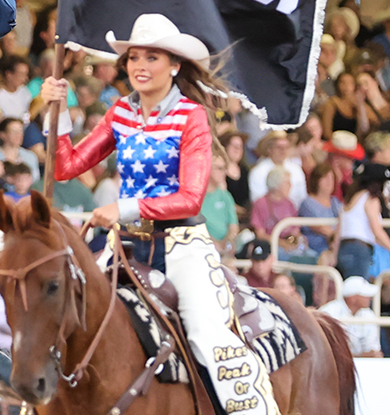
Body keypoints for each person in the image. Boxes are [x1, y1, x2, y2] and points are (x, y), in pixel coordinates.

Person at [32, 15, 278, 412]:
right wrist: (55, 115)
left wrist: (122, 208)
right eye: (133, 59)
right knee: (67, 311)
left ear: (175, 66)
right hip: (126, 245)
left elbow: (190, 198)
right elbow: (66, 166)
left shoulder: (191, 116)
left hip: (181, 245)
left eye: (152, 57)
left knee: (205, 334)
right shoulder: (120, 113)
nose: (140, 66)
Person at [318, 277, 384, 358]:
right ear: (352, 298)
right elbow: (327, 351)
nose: (369, 297)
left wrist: (372, 354)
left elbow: (373, 348)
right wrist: (362, 356)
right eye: (364, 294)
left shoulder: (368, 314)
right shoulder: (329, 312)